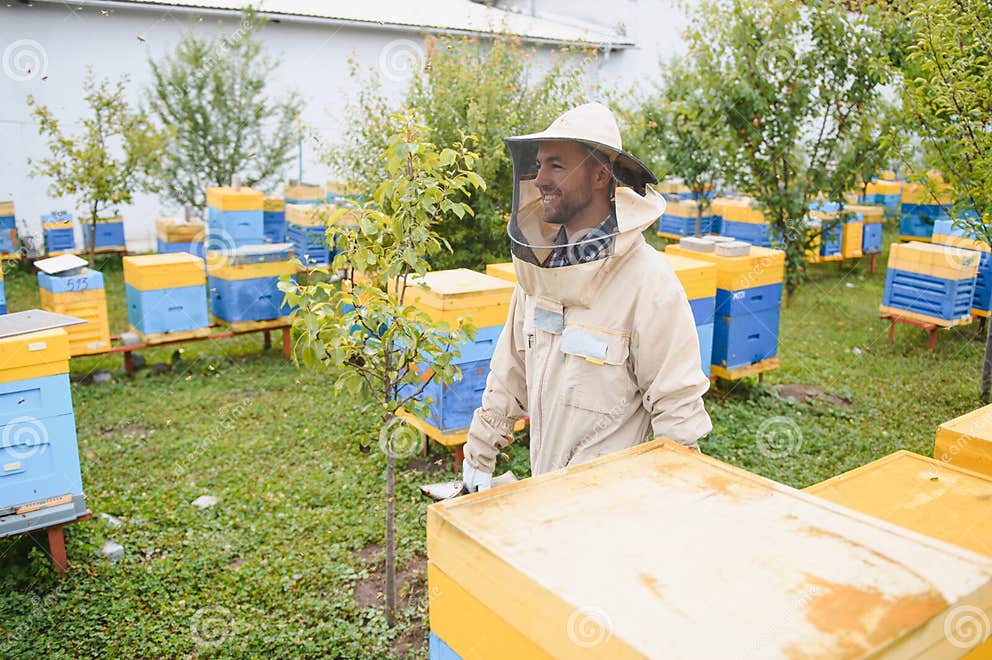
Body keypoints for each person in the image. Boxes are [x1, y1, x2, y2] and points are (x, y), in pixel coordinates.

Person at [462, 102, 713, 491]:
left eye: (557, 166)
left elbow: (677, 413)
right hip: (545, 497)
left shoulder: (649, 283)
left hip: (608, 511)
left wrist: (679, 498)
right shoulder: (538, 274)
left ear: (600, 175)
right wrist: (479, 456)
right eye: (540, 164)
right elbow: (509, 373)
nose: (541, 179)